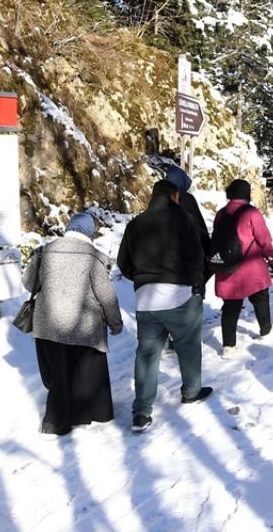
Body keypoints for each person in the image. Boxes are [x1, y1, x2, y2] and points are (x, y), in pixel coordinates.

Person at [116, 180, 213, 433]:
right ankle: (191, 391)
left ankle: (141, 412)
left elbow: (123, 263)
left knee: (147, 354)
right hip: (180, 294)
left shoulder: (135, 223)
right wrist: (197, 284)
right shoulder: (183, 219)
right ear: (175, 196)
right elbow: (195, 256)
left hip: (146, 299)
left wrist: (141, 279)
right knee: (188, 346)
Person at [23, 212, 123, 435]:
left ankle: (57, 420)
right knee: (88, 369)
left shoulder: (45, 251)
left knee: (59, 372)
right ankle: (95, 412)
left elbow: (29, 283)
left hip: (48, 322)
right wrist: (115, 322)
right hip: (84, 326)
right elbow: (105, 294)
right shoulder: (92, 256)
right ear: (89, 233)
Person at [211, 179, 273, 355]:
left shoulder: (221, 214)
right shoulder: (252, 213)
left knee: (230, 307)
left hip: (227, 268)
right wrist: (270, 257)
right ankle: (265, 329)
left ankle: (228, 345)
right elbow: (264, 239)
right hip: (251, 266)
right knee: (260, 298)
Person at [165, 165, 212, 294]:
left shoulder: (158, 199)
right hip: (190, 266)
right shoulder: (186, 199)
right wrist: (209, 252)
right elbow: (199, 228)